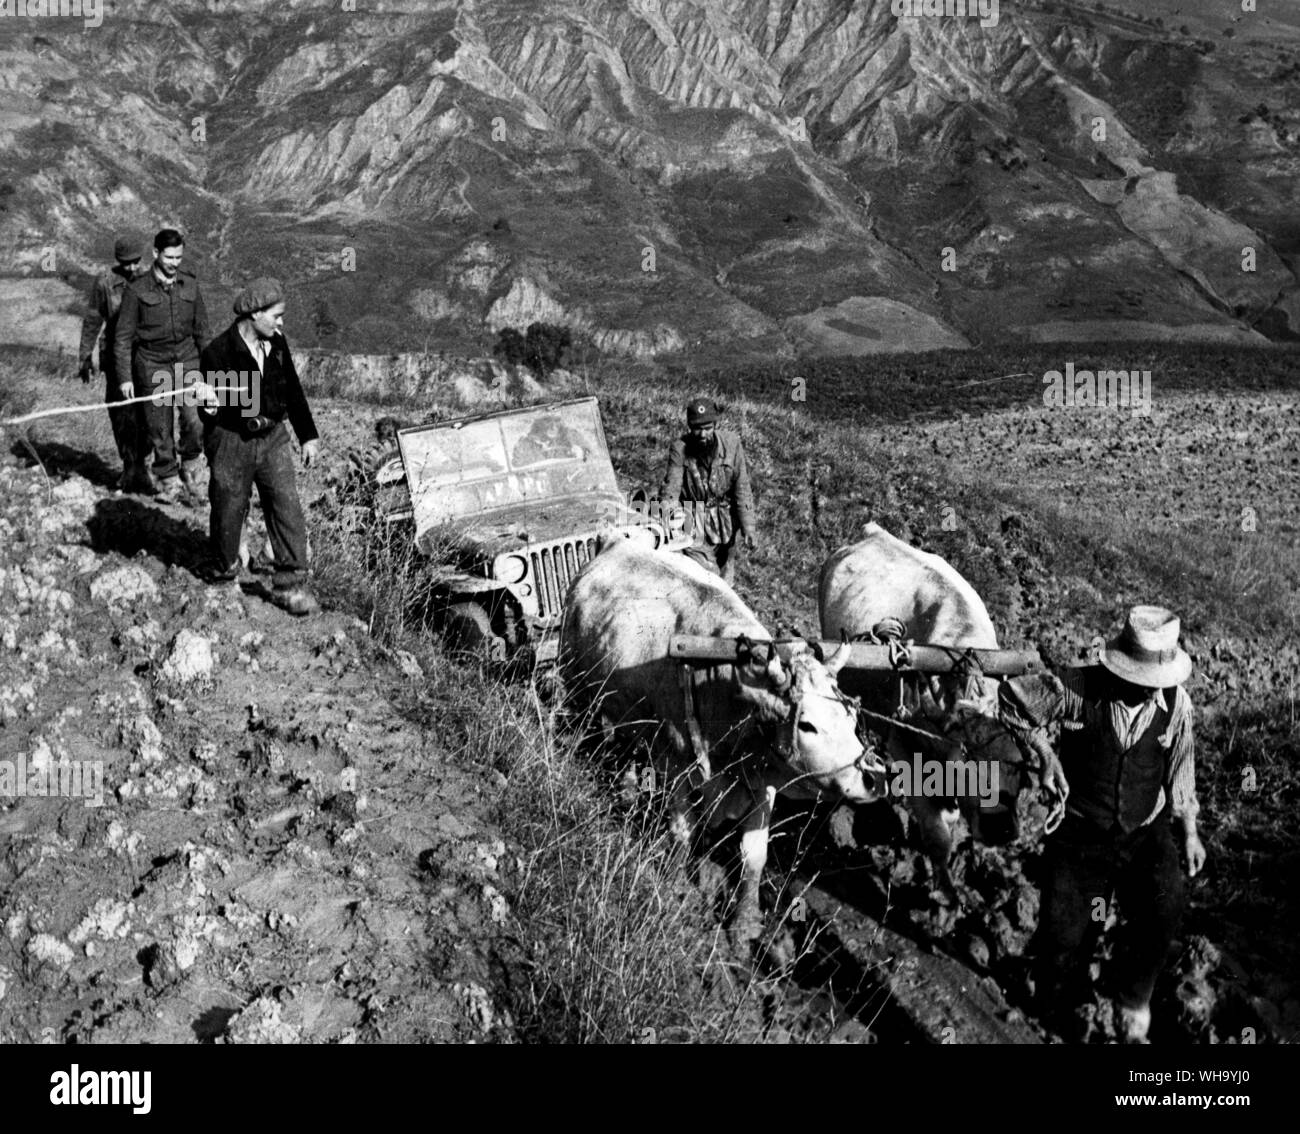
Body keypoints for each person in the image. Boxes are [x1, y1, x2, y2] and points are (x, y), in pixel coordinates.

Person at [997, 605, 1207, 1043]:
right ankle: (1058, 1012)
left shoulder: (1175, 701)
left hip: (1143, 830)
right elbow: (1011, 704)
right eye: (1145, 682)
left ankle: (1133, 1001)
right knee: (1066, 931)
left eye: (1159, 683)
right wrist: (1046, 755)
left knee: (1163, 906)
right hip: (1080, 831)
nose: (1154, 691)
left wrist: (1189, 831)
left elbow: (1182, 764)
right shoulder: (1077, 686)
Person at [195, 276, 321, 616]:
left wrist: (307, 435)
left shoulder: (277, 344)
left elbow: (292, 390)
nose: (281, 323)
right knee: (228, 506)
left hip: (273, 437)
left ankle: (291, 584)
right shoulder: (218, 353)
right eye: (276, 315)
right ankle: (224, 575)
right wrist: (208, 402)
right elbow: (210, 408)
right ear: (254, 314)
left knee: (286, 505)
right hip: (232, 439)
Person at [113, 228, 212, 505]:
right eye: (169, 257)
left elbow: (203, 331)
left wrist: (212, 370)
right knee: (159, 427)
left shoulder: (190, 285)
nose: (175, 263)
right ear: (156, 254)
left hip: (187, 361)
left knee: (195, 419)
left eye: (179, 257)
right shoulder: (137, 290)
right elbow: (122, 338)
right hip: (153, 363)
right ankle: (167, 478)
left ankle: (191, 468)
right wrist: (125, 378)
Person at [76, 233, 148, 492]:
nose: (131, 268)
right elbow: (93, 318)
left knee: (147, 412)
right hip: (116, 356)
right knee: (121, 412)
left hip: (146, 356)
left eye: (136, 262)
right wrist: (85, 354)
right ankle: (130, 466)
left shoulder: (149, 279)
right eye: (126, 263)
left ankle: (143, 465)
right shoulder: (105, 282)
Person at [658, 397, 756, 584]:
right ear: (689, 427)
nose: (702, 435)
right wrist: (671, 516)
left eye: (708, 428)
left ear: (715, 425)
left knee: (727, 578)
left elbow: (742, 486)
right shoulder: (680, 449)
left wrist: (748, 526)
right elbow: (671, 489)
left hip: (726, 522)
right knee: (707, 577)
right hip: (695, 521)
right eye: (697, 429)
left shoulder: (732, 444)